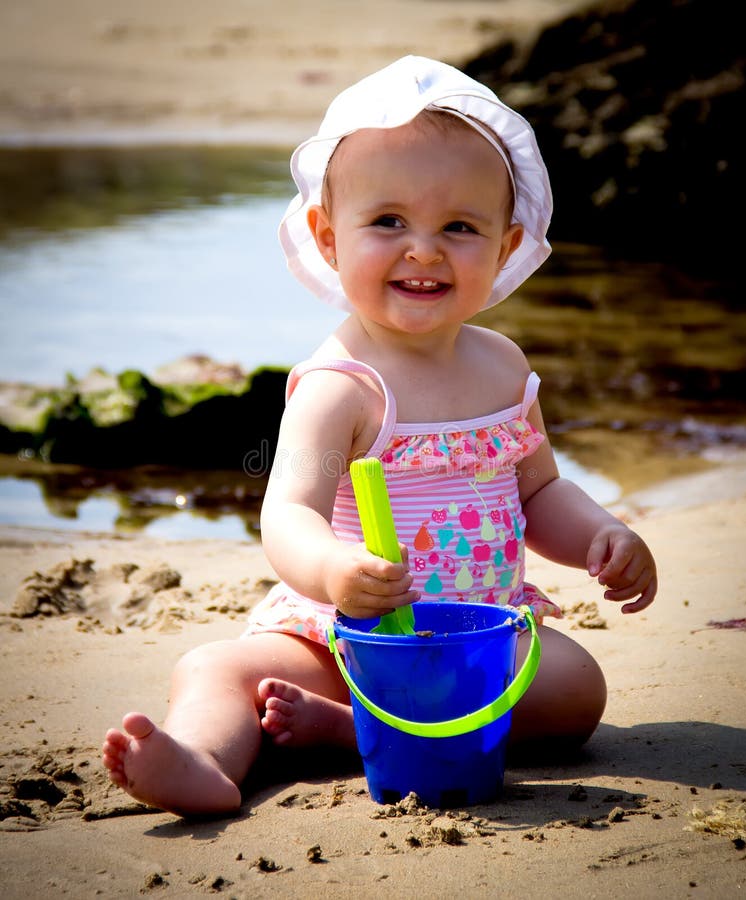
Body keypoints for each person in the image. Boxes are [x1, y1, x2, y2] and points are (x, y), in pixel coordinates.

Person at [102, 56, 657, 816]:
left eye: (459, 227)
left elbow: (540, 491)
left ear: (504, 246)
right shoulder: (341, 385)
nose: (423, 249)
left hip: (476, 642)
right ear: (329, 238)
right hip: (349, 639)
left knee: (574, 688)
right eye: (388, 221)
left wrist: (602, 534)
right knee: (216, 668)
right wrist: (335, 570)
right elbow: (288, 512)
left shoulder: (504, 368)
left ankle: (353, 732)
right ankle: (200, 754)